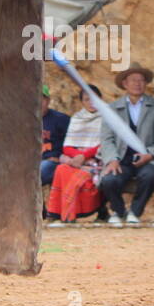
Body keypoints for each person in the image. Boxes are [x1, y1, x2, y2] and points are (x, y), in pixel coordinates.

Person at [97, 63, 154, 226]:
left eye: (141, 80)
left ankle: (135, 212)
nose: (137, 84)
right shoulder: (112, 108)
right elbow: (106, 138)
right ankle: (119, 211)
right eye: (133, 80)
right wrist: (112, 159)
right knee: (109, 180)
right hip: (121, 159)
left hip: (147, 159)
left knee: (150, 175)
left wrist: (150, 154)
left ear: (146, 83)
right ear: (125, 84)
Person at [45, 86, 105, 222]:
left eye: (94, 99)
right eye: (87, 99)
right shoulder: (77, 118)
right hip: (77, 160)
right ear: (82, 102)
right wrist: (78, 157)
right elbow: (67, 147)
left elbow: (106, 143)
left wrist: (84, 156)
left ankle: (75, 214)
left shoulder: (107, 118)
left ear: (101, 99)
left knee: (80, 176)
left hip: (98, 159)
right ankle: (57, 214)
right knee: (61, 169)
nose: (91, 102)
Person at [39, 85, 71, 186]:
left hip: (52, 162)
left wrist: (60, 157)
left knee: (39, 172)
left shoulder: (61, 119)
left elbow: (72, 142)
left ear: (48, 100)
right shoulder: (24, 121)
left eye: (42, 99)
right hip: (31, 163)